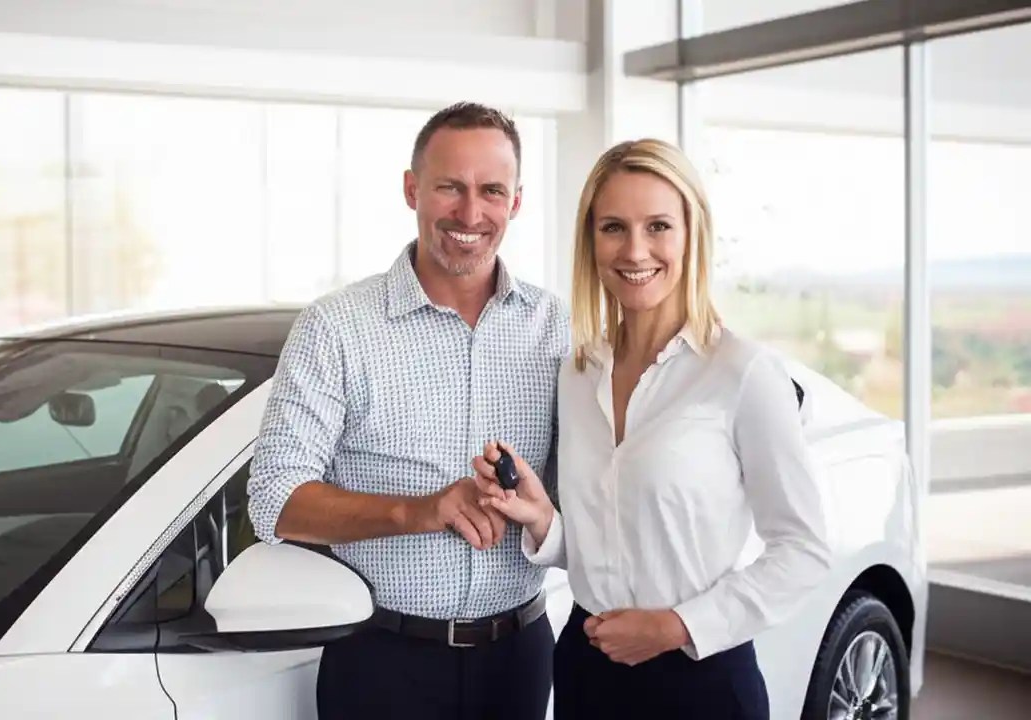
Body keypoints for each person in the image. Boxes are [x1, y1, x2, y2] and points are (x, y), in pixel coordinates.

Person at [473, 138, 832, 719]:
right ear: (591, 241)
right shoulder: (579, 372)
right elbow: (613, 550)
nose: (635, 250)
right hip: (587, 667)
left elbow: (804, 550)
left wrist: (675, 627)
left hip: (700, 681)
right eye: (613, 227)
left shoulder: (742, 372)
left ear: (692, 233)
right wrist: (543, 521)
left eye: (658, 226)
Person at [247, 102, 569, 720]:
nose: (469, 214)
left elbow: (586, 502)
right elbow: (274, 500)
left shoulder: (559, 330)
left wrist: (543, 511)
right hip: (382, 664)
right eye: (450, 187)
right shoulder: (336, 327)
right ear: (412, 189)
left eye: (491, 191)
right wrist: (420, 511)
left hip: (520, 659)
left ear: (516, 202)